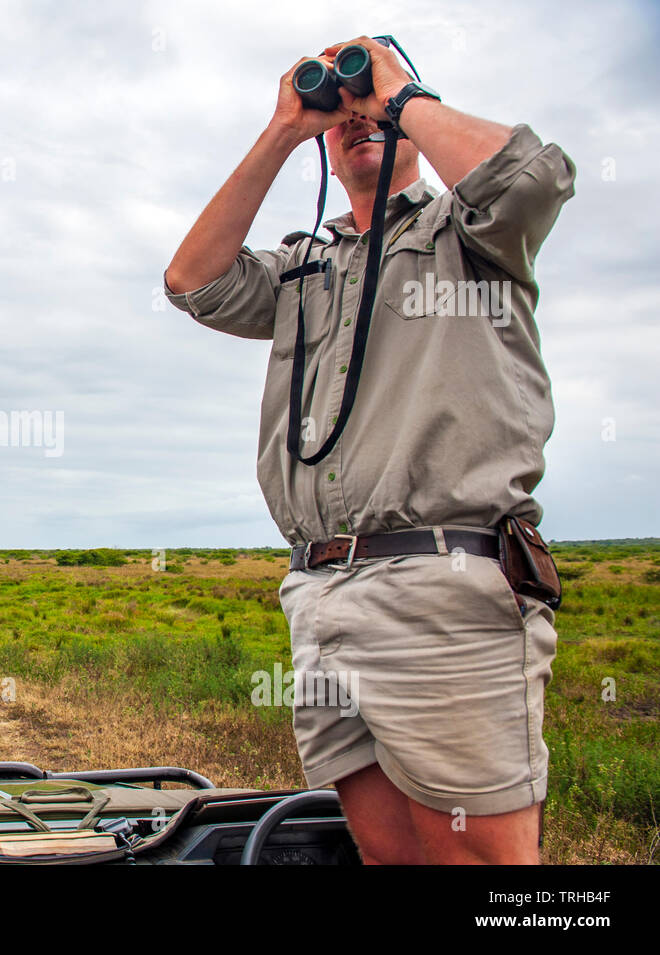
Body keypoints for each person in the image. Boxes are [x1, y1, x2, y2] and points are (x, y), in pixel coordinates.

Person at [164, 36, 575, 864]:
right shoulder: (304, 268)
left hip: (441, 584)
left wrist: (397, 95)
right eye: (338, 106)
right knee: (388, 858)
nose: (353, 114)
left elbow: (534, 177)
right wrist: (287, 125)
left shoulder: (470, 236)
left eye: (369, 97)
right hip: (320, 591)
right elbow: (193, 283)